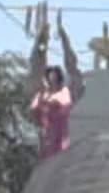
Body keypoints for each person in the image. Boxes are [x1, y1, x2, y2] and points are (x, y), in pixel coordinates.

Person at [28, 11, 84, 160]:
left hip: (62, 152)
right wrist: (41, 40)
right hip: (43, 151)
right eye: (48, 77)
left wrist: (64, 38)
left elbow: (73, 68)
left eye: (54, 77)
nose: (51, 80)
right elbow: (36, 65)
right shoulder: (41, 95)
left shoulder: (66, 94)